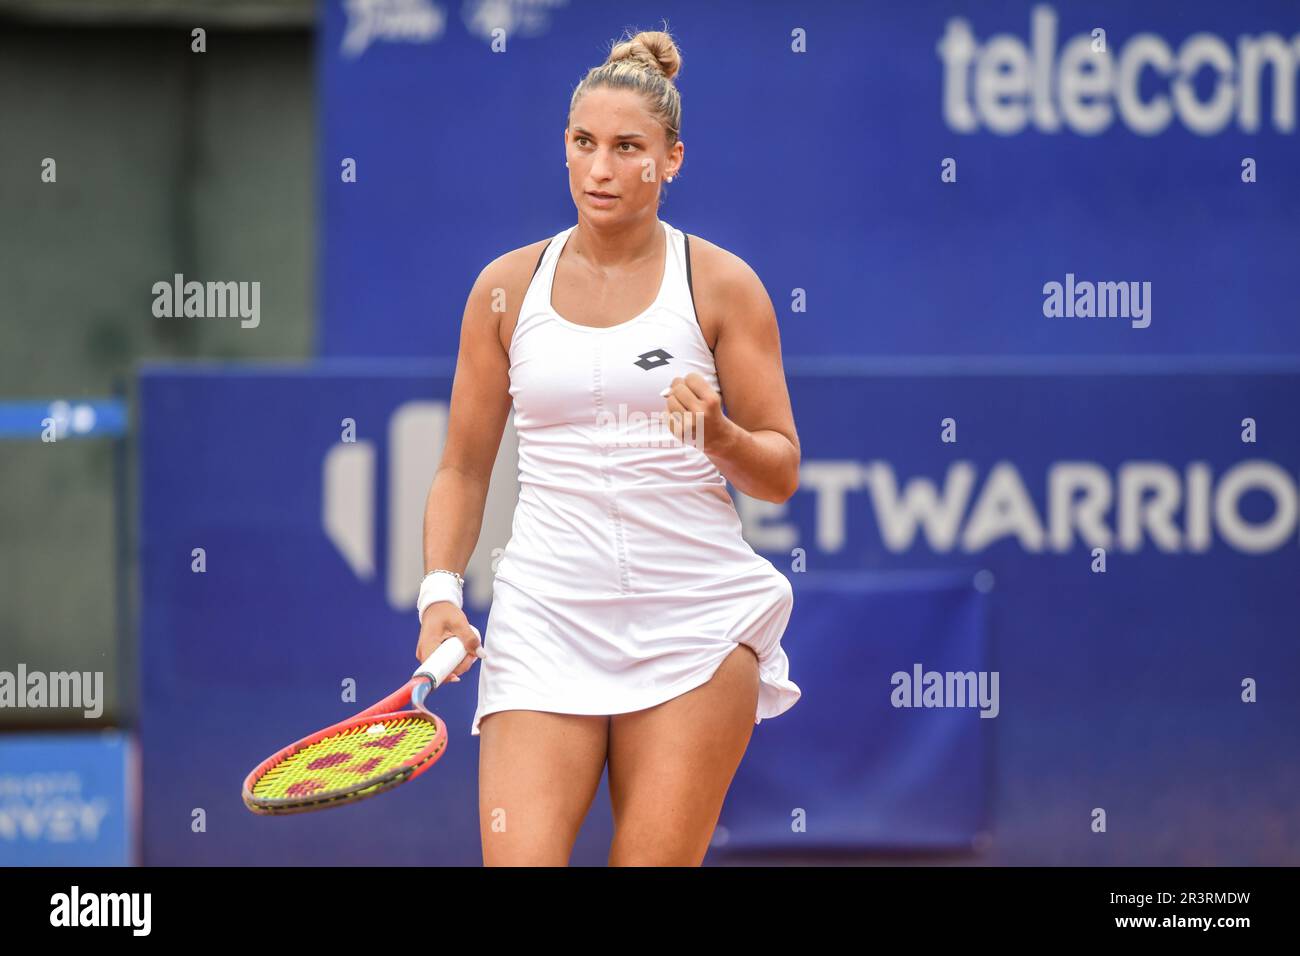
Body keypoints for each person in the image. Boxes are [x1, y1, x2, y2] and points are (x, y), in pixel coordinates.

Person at [415, 27, 801, 866]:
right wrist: (440, 590)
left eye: (629, 148)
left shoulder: (724, 285)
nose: (601, 169)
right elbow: (462, 466)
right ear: (564, 149)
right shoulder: (504, 290)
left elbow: (779, 470)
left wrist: (721, 435)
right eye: (584, 144)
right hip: (545, 619)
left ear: (672, 160)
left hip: (695, 623)